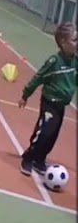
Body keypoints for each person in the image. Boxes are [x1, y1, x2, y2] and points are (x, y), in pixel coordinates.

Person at [17, 22, 77, 176]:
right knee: (43, 132)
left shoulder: (75, 61)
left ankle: (39, 159)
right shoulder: (54, 62)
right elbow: (38, 78)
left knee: (53, 135)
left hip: (61, 105)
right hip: (50, 102)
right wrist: (25, 95)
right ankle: (28, 158)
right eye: (75, 40)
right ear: (63, 42)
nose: (77, 43)